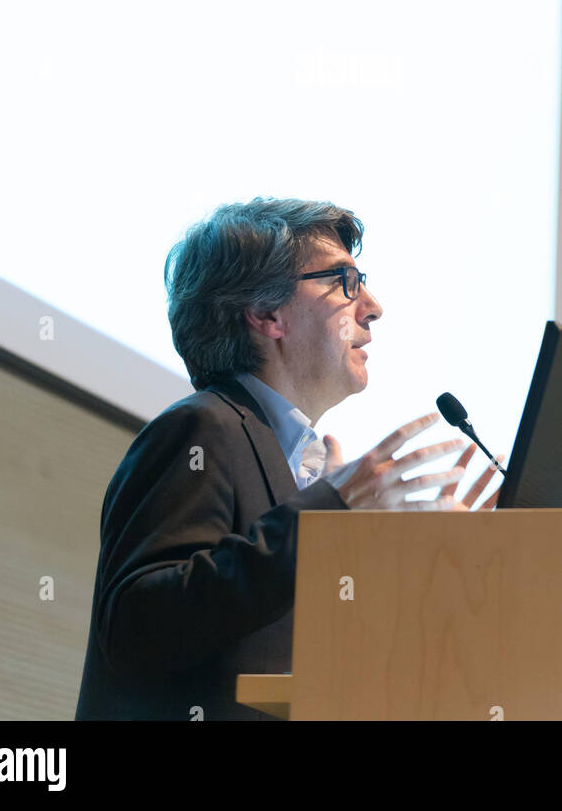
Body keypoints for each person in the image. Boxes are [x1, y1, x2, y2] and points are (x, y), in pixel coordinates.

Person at [75, 197, 501, 721]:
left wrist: (458, 567)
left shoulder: (302, 468)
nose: (372, 305)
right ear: (266, 313)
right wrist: (327, 515)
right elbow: (137, 627)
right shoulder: (203, 428)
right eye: (343, 283)